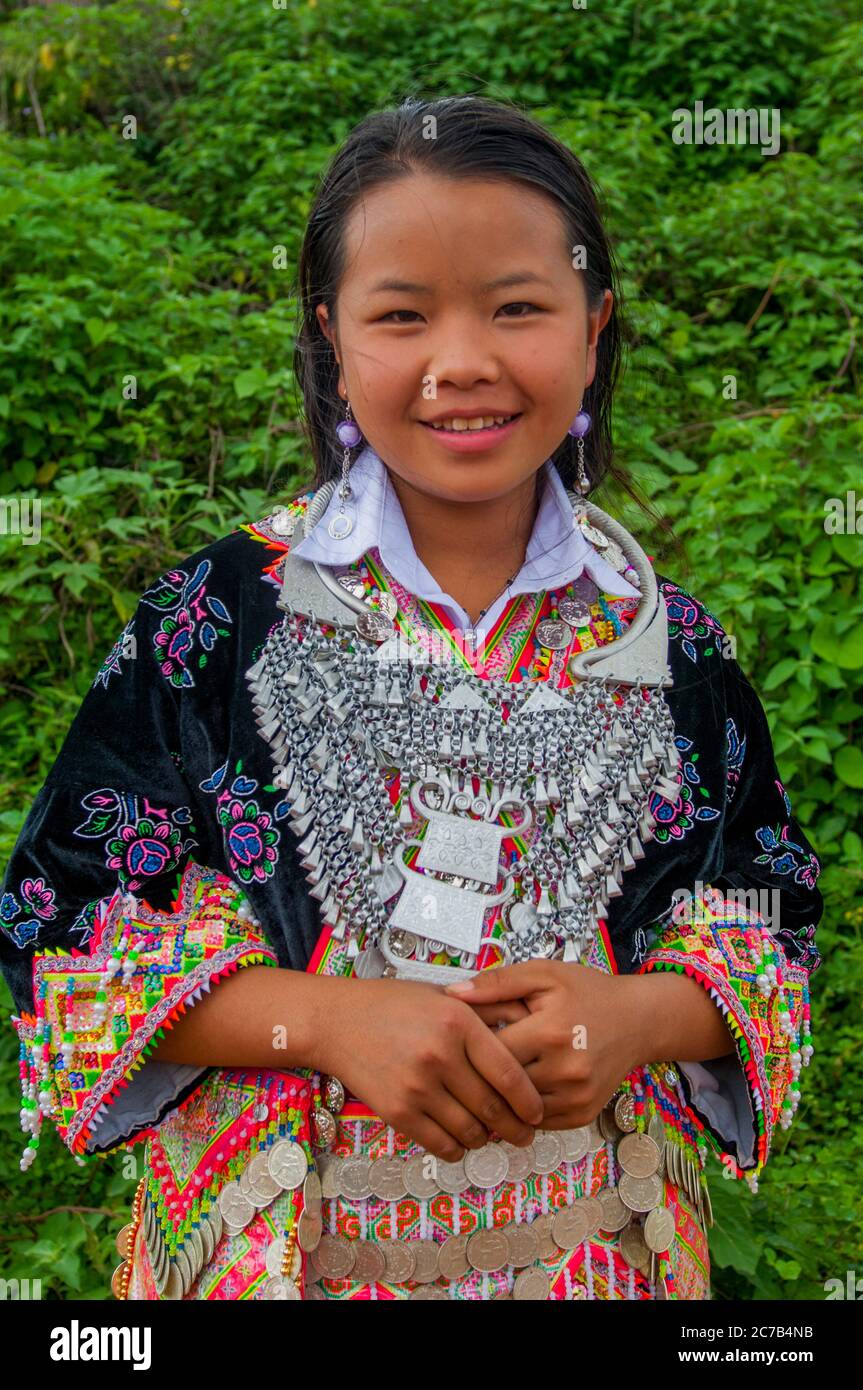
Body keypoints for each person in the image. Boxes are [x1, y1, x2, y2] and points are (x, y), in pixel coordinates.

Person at [0, 95, 822, 1302]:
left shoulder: (672, 648)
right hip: (276, 1252)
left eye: (516, 307)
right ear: (332, 337)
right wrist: (323, 1023)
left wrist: (639, 1019)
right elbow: (55, 928)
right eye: (401, 314)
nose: (461, 362)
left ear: (593, 330)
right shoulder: (217, 618)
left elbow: (770, 930)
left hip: (594, 1250)